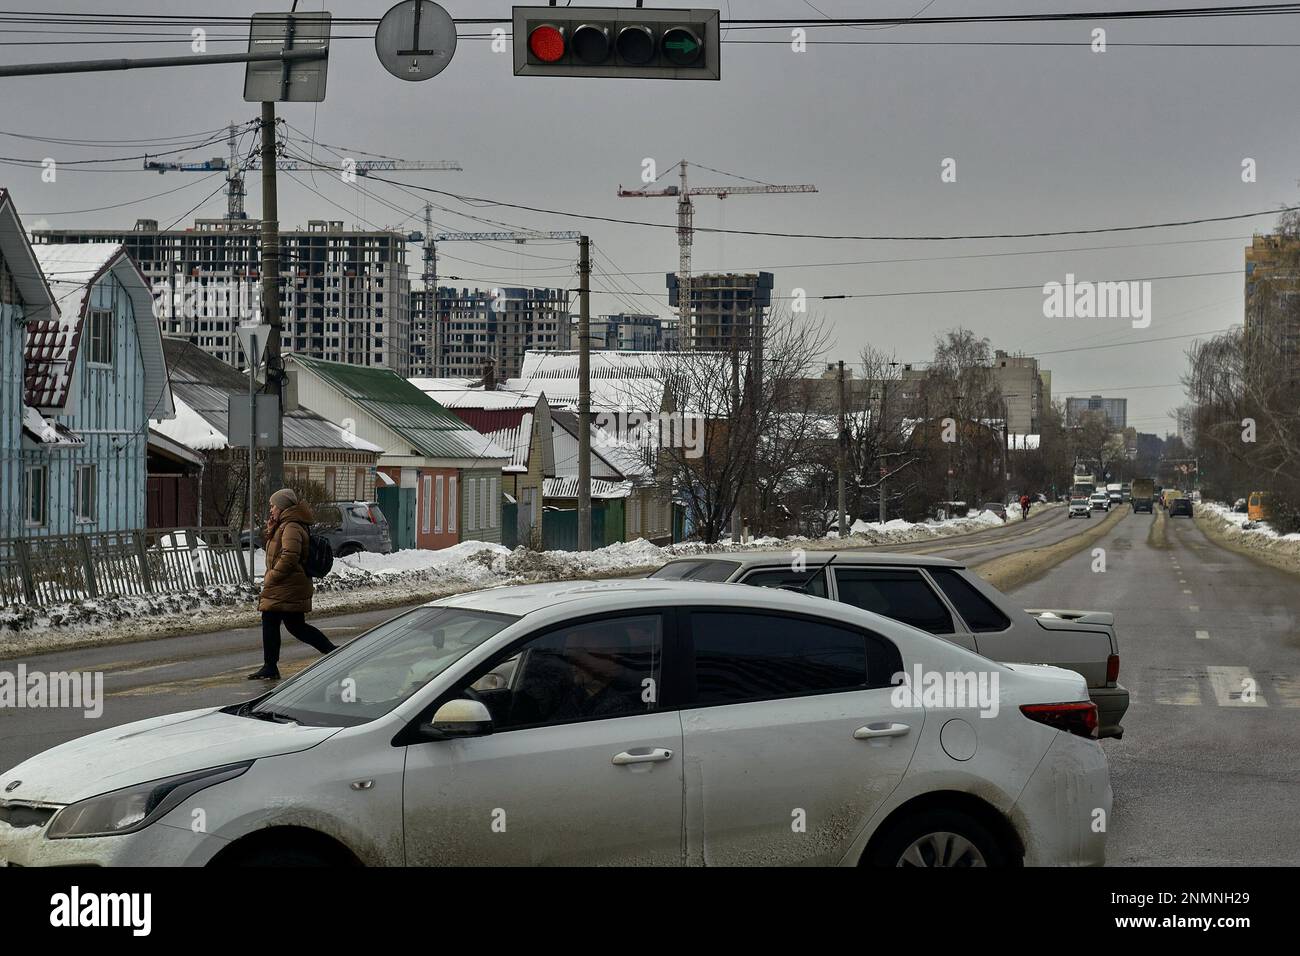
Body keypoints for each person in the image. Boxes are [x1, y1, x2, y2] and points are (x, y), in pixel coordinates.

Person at [248, 488, 336, 680]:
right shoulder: (286, 524)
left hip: (287, 584)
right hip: (288, 584)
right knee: (294, 625)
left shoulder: (291, 526)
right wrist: (272, 528)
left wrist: (272, 576)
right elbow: (278, 549)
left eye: (273, 506)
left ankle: (271, 666)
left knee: (273, 620)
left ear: (283, 507)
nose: (271, 509)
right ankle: (331, 652)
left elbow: (289, 555)